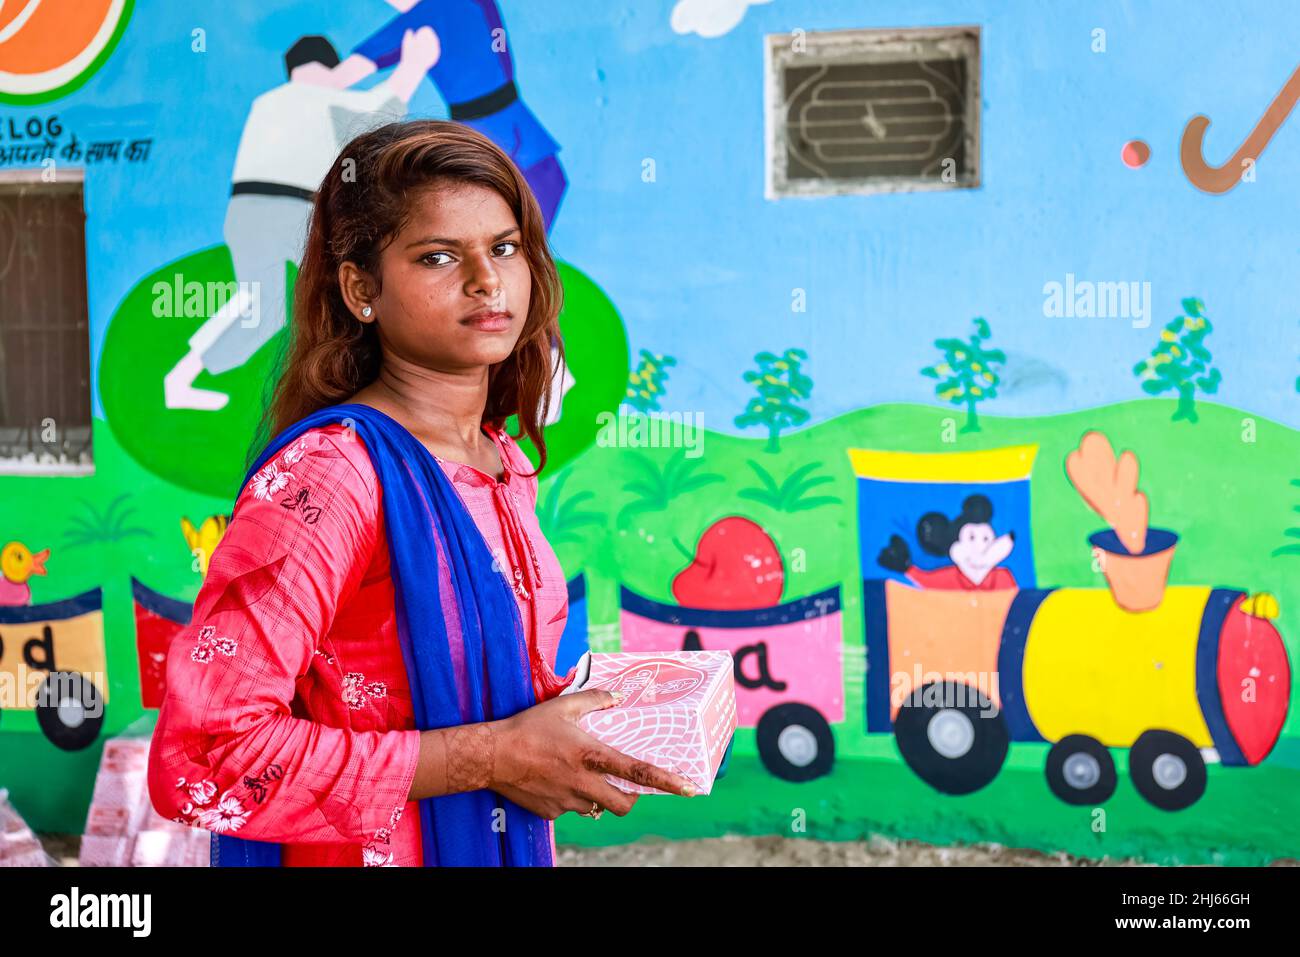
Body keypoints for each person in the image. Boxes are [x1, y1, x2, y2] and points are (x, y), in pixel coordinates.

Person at [147, 120, 696, 868]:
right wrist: (495, 756)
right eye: (439, 256)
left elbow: (467, 687)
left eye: (504, 247)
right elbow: (208, 755)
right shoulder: (333, 474)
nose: (486, 279)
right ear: (361, 288)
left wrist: (583, 724)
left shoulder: (499, 459)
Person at [163, 28, 439, 412]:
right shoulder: (321, 97)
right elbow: (380, 114)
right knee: (344, 299)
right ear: (330, 68)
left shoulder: (269, 101)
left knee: (260, 307)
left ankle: (179, 378)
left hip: (246, 211)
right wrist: (413, 66)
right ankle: (354, 392)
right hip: (295, 211)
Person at [293, 0, 568, 230]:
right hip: (495, 127)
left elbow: (345, 74)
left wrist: (321, 80)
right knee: (527, 198)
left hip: (498, 128)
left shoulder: (432, 12)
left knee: (532, 196)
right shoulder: (431, 14)